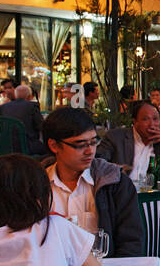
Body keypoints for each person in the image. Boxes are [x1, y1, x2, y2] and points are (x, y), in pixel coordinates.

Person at [42, 106, 143, 257]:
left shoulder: (115, 183)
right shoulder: (35, 185)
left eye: (93, 142)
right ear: (54, 145)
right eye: (80, 144)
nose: (90, 151)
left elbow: (132, 243)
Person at [0, 84, 44, 154]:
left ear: (16, 95)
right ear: (29, 97)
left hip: (7, 147)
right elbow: (41, 125)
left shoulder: (3, 107)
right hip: (28, 147)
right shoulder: (32, 106)